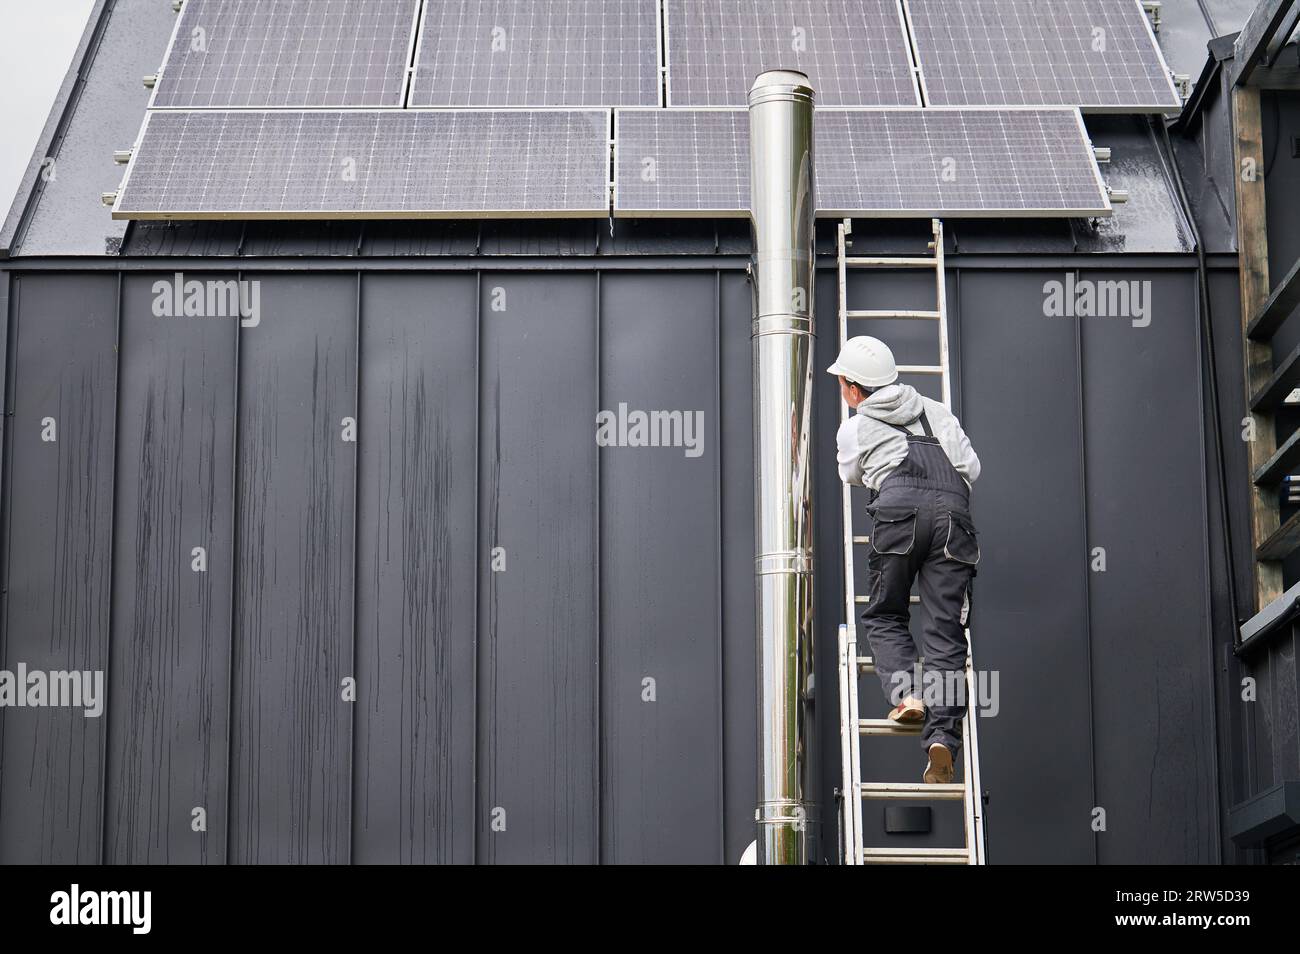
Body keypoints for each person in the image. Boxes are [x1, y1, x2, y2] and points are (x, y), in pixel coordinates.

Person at [829, 336, 981, 785]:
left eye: (842, 383)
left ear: (855, 389)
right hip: (955, 520)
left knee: (885, 614)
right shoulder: (937, 411)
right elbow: (970, 468)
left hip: (898, 517)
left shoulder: (856, 427)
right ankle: (942, 738)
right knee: (945, 630)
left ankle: (908, 694)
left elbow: (849, 473)